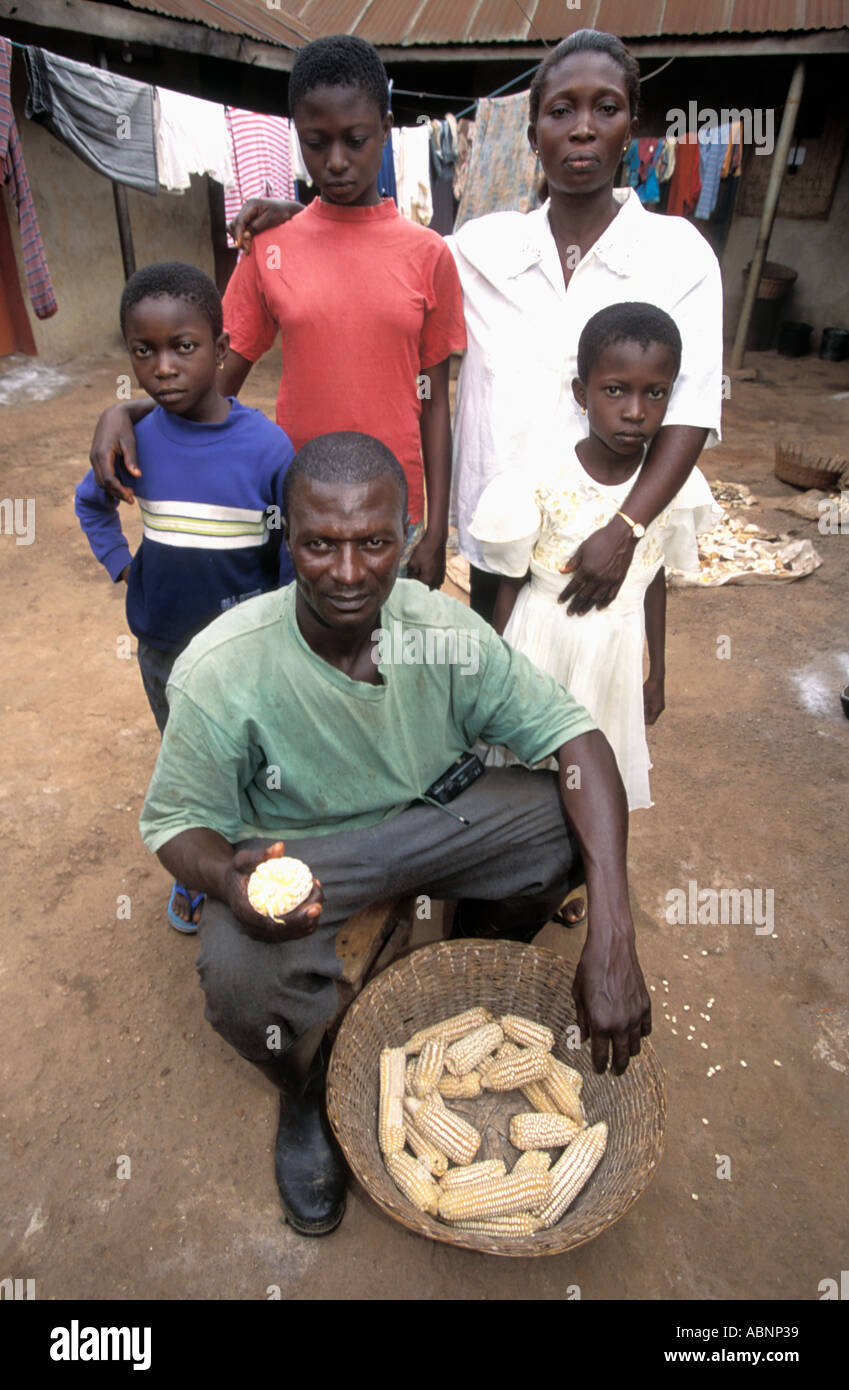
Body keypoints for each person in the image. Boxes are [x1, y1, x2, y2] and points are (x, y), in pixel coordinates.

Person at [138, 430, 652, 1236]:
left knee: (564, 821)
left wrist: (614, 932)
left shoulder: (440, 630)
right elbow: (176, 824)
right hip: (303, 861)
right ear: (287, 536)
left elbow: (578, 742)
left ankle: (466, 977)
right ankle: (304, 1096)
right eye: (320, 544)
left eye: (374, 543)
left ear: (409, 536)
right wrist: (227, 879)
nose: (347, 573)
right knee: (238, 987)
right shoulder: (223, 666)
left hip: (434, 822)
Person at [225, 28, 722, 624]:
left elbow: (691, 413)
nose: (583, 127)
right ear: (533, 134)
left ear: (632, 122)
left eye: (606, 108)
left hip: (609, 534)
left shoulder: (679, 254)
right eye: (561, 110)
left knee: (592, 694)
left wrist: (627, 527)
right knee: (492, 691)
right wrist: (307, 220)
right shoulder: (483, 249)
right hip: (503, 536)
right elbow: (380, 254)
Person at [88, 34, 466, 590]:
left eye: (355, 140)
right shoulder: (271, 248)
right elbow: (212, 382)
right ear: (295, 135)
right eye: (315, 143)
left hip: (391, 508)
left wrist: (435, 530)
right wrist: (129, 412)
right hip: (295, 501)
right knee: (299, 662)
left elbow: (434, 404)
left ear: (385, 128)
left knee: (388, 662)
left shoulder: (428, 254)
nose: (335, 162)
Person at [75, 261, 295, 930]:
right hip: (166, 647)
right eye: (144, 351)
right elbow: (92, 506)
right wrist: (125, 567)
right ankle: (199, 873)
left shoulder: (267, 448)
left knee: (254, 758)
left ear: (222, 349)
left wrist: (282, 632)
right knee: (186, 760)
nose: (163, 367)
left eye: (183, 347)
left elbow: (288, 551)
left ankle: (260, 858)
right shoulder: (134, 441)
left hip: (243, 654)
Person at [470, 302, 721, 812]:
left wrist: (658, 672)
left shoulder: (673, 487)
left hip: (615, 656)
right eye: (615, 390)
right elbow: (511, 582)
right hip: (540, 646)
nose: (635, 411)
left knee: (597, 785)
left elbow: (653, 578)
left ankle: (579, 882)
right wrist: (499, 671)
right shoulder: (539, 479)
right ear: (581, 394)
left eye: (656, 393)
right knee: (528, 773)